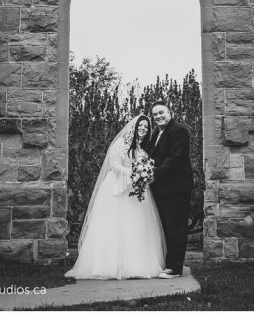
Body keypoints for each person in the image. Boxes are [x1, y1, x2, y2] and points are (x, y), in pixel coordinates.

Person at [65, 115, 166, 279]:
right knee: (114, 224)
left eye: (146, 127)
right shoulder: (121, 144)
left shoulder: (144, 148)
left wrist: (143, 175)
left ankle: (137, 266)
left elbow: (147, 165)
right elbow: (114, 165)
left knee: (136, 226)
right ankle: (106, 265)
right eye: (140, 125)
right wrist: (132, 173)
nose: (143, 129)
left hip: (137, 190)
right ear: (134, 127)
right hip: (116, 188)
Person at [148, 100, 194, 279]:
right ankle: (168, 264)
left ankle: (174, 269)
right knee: (167, 227)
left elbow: (174, 157)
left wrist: (155, 175)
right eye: (155, 114)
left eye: (161, 113)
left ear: (170, 112)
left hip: (177, 188)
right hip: (162, 188)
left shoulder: (178, 130)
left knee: (176, 228)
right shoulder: (157, 132)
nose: (158, 116)